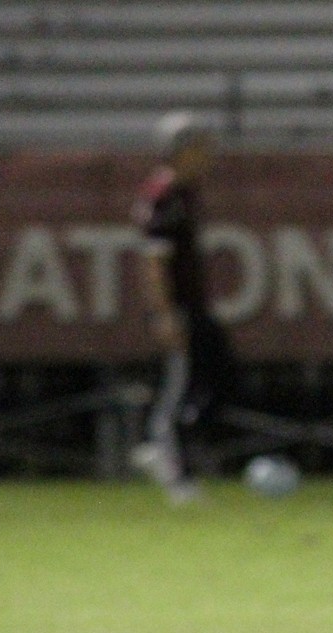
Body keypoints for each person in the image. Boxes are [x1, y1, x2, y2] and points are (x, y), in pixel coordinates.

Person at [129, 112, 237, 505]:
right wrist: (164, 313)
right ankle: (172, 466)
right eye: (200, 148)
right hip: (180, 307)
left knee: (218, 375)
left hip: (193, 303)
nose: (207, 155)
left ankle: (167, 446)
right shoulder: (164, 197)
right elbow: (155, 262)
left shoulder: (183, 193)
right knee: (182, 385)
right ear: (180, 151)